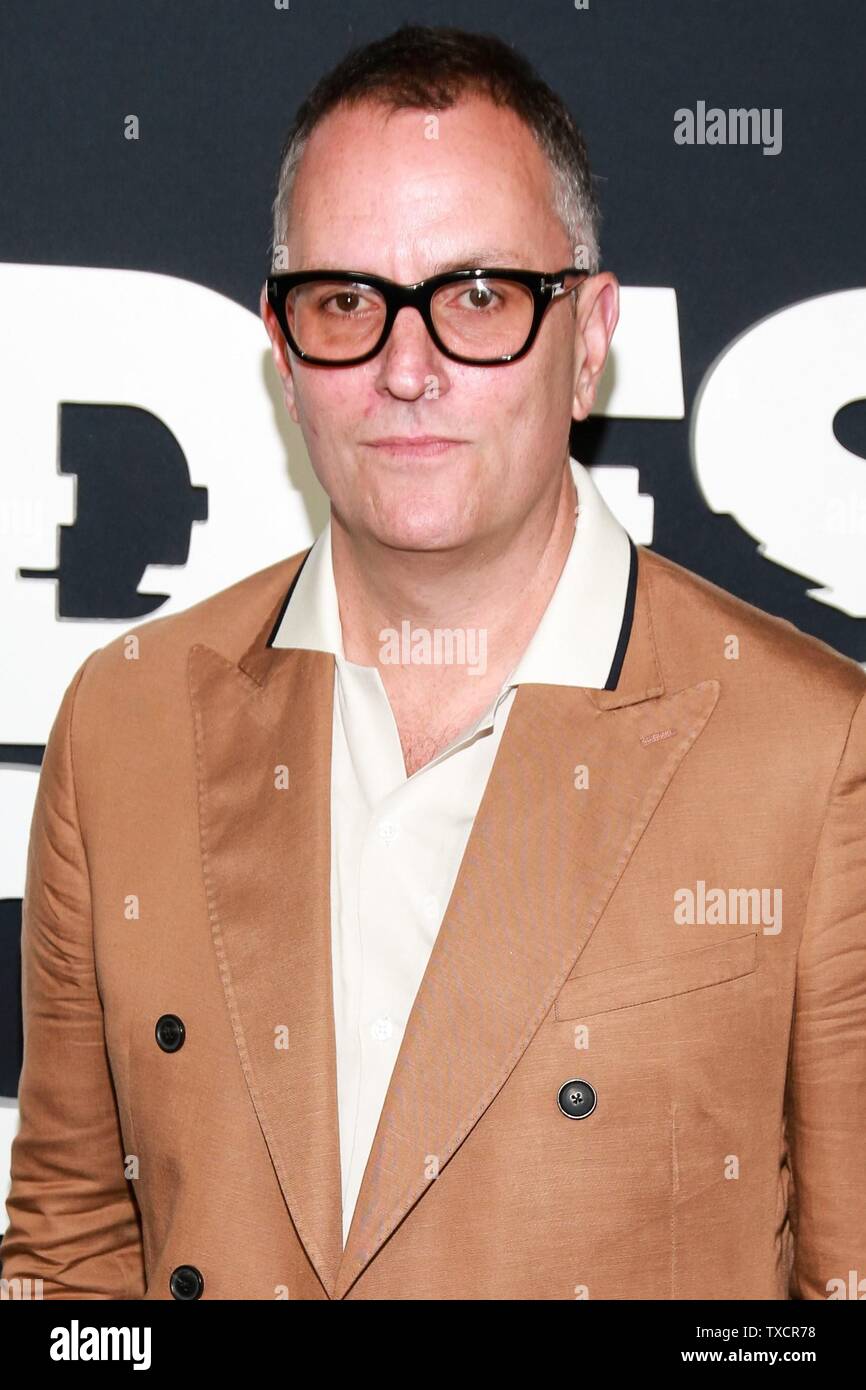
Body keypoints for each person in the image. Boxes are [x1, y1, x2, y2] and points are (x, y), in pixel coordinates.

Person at [3, 23, 865, 1301]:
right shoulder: (123, 724)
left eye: (476, 296)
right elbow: (70, 1274)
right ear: (284, 353)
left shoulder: (813, 757)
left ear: (588, 339)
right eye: (345, 300)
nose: (407, 370)